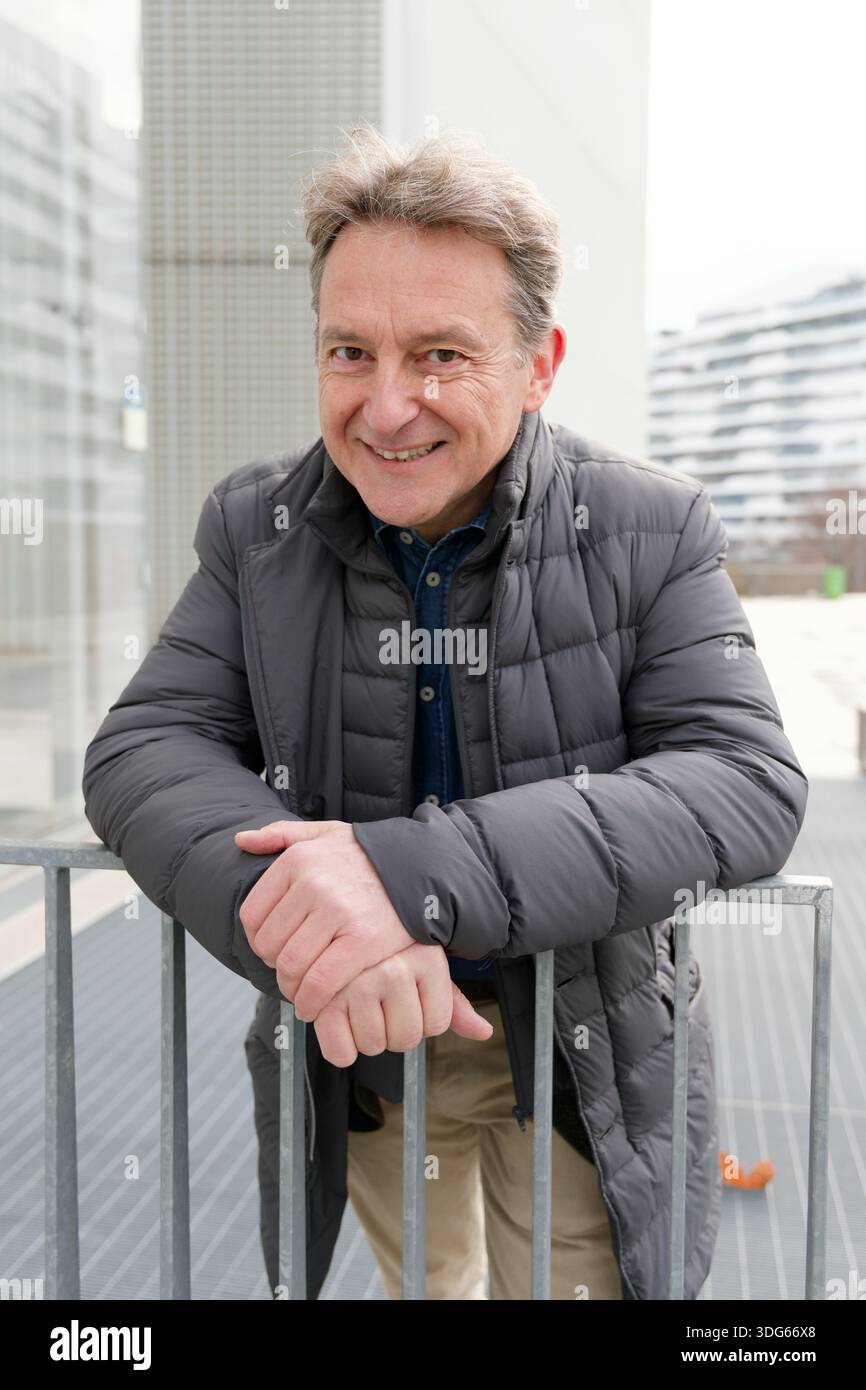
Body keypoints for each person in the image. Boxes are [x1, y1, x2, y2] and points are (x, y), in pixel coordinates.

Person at [82, 124, 808, 1300]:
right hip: (362, 1044)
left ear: (538, 363)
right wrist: (307, 915)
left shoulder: (650, 524)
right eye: (348, 350)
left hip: (576, 1053)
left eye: (438, 354)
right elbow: (141, 748)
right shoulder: (253, 527)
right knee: (425, 1286)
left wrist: (398, 876)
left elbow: (740, 778)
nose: (386, 405)